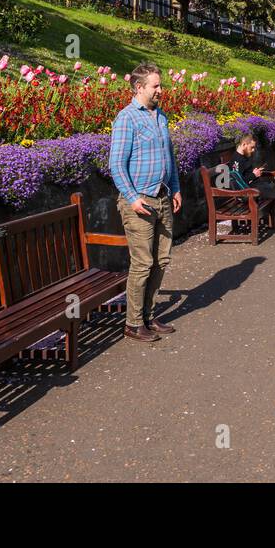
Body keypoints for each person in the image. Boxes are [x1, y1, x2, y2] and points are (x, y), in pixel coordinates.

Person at [110, 62, 183, 343]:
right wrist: (132, 199)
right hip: (139, 200)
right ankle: (133, 322)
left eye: (160, 85)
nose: (161, 90)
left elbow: (169, 158)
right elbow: (116, 164)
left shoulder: (160, 116)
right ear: (139, 87)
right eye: (156, 86)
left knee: (161, 260)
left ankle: (149, 317)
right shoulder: (127, 118)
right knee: (142, 263)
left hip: (163, 196)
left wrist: (175, 188)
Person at [227, 132, 275, 228]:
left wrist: (254, 172)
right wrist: (253, 175)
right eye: (251, 147)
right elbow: (238, 182)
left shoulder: (244, 156)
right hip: (251, 191)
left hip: (258, 184)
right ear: (244, 144)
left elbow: (245, 174)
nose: (253, 150)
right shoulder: (236, 160)